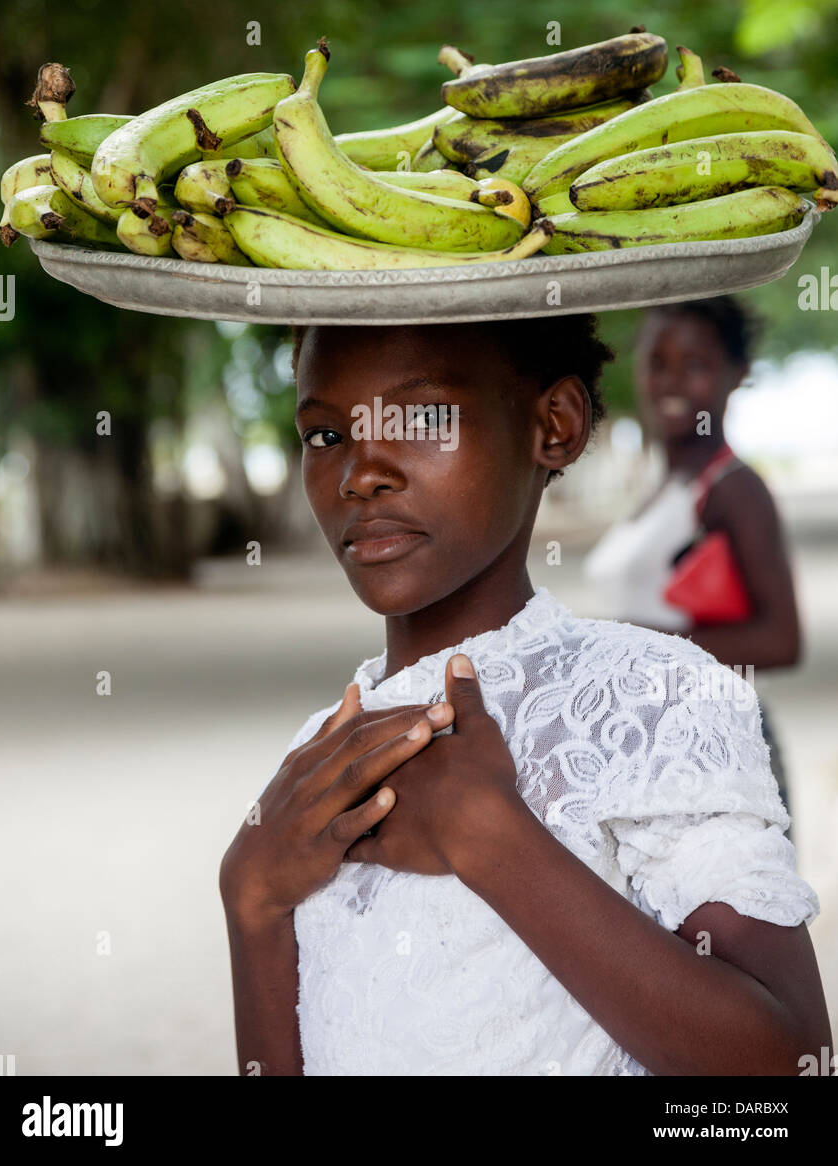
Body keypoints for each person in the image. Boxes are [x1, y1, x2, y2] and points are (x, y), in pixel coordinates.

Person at [219, 315, 830, 1077]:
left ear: (555, 424)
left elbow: (791, 1068)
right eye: (324, 435)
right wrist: (251, 905)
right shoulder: (320, 756)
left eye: (422, 417)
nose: (361, 471)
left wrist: (494, 840)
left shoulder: (657, 700)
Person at [584, 298, 797, 822]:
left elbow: (781, 639)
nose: (672, 383)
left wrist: (632, 645)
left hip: (718, 742)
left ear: (737, 375)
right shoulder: (664, 487)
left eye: (696, 365)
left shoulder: (733, 490)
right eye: (657, 362)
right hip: (651, 742)